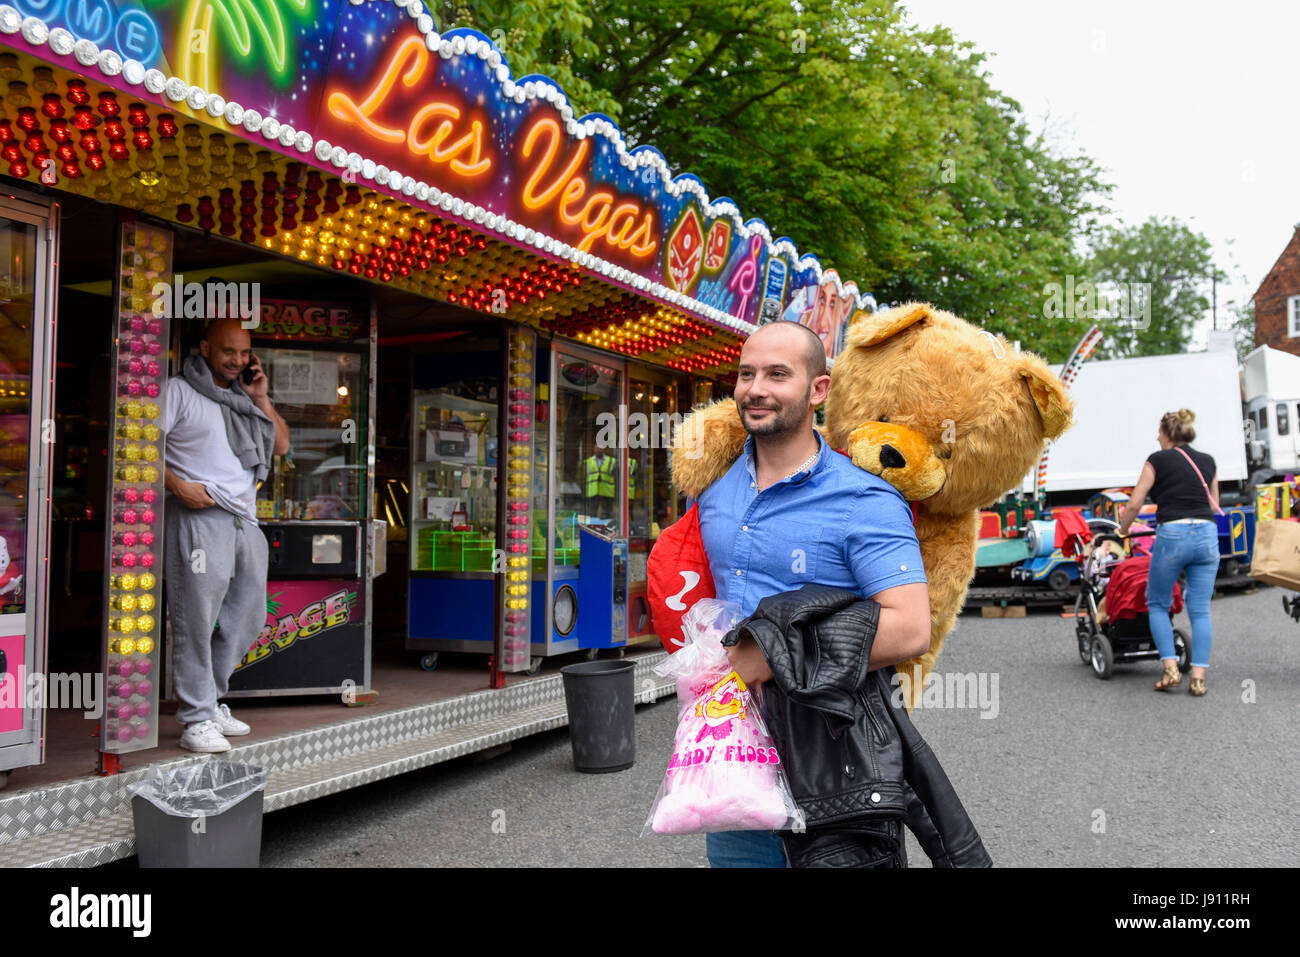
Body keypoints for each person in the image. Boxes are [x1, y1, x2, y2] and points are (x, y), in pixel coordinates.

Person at [695, 320, 931, 867]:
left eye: (778, 374)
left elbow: (909, 626)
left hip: (836, 764)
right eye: (746, 374)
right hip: (734, 762)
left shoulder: (864, 499)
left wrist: (774, 656)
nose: (757, 388)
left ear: (818, 390)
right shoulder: (712, 494)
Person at [162, 317, 289, 752]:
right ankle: (195, 719)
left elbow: (281, 446)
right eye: (226, 351)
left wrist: (261, 396)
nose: (235, 360)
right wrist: (179, 487)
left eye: (242, 353)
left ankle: (212, 699)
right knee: (194, 619)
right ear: (204, 348)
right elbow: (138, 444)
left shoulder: (244, 399)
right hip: (198, 515)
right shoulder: (177, 390)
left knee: (248, 616)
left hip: (244, 519)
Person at [1117, 408, 1220, 697]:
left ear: (1167, 434)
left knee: (1158, 603)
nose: (1156, 437)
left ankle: (1171, 669)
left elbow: (1136, 503)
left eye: (1159, 432)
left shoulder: (1156, 460)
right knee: (1200, 610)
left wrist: (1123, 529)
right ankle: (1198, 678)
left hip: (1173, 535)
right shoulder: (1208, 461)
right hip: (1206, 534)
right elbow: (1214, 505)